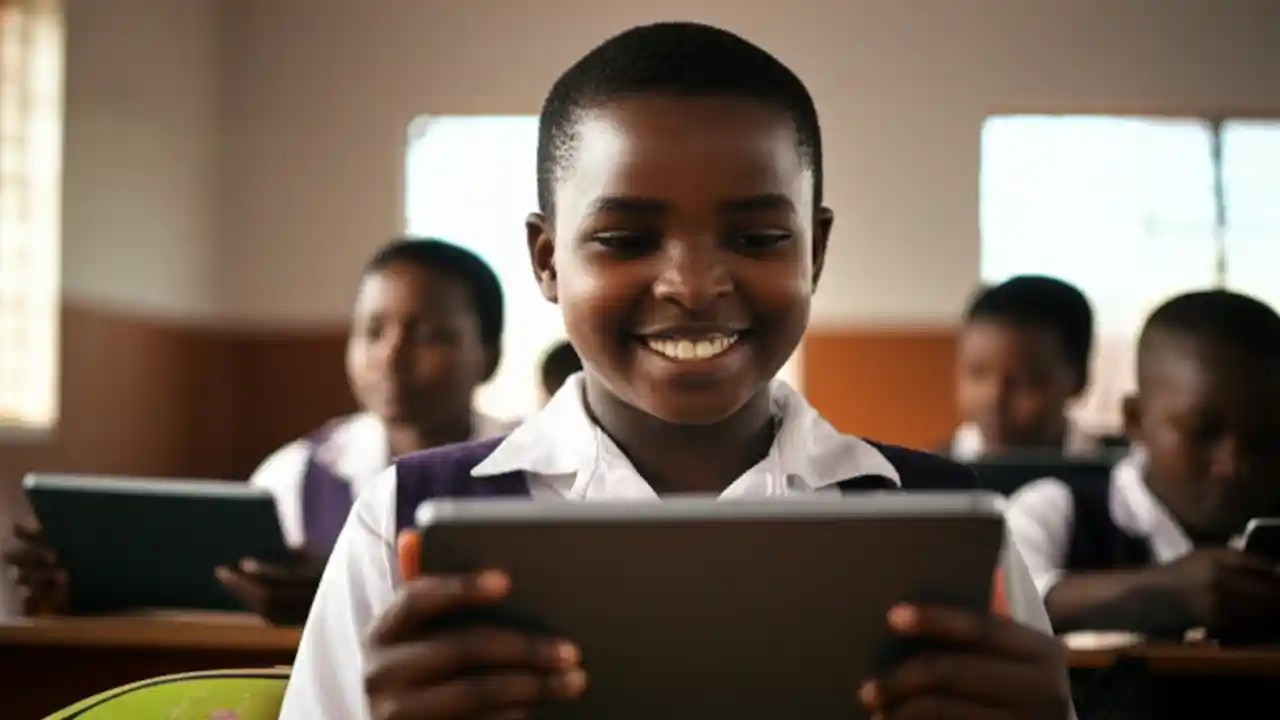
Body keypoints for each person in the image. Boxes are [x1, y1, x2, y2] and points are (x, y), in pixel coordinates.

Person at [280, 22, 1071, 720]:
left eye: (758, 238)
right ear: (547, 259)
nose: (693, 286)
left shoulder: (946, 526)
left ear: (815, 252)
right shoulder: (406, 521)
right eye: (625, 240)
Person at [2, 238, 514, 625]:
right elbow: (220, 616)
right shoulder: (296, 475)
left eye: (429, 335)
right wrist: (84, 592)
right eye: (372, 331)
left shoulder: (536, 470)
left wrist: (341, 595)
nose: (392, 357)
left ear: (488, 355)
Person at [1006, 290, 1280, 640]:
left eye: (1268, 437)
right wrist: (1164, 594)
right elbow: (1000, 603)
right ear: (1135, 419)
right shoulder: (1057, 511)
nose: (1233, 465)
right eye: (1201, 433)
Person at [949, 275, 1100, 461]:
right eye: (977, 373)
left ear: (1079, 380)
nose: (994, 398)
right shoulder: (930, 479)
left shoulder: (1111, 480)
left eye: (1024, 381)